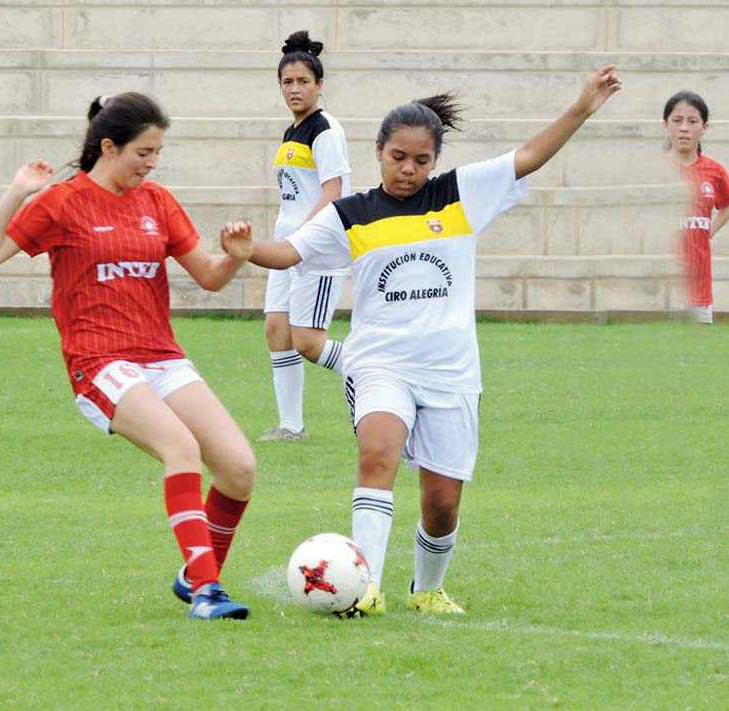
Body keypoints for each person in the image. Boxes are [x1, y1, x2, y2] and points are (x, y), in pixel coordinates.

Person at [221, 66, 622, 615]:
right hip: (380, 364)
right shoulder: (351, 214)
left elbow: (528, 157)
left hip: (451, 372)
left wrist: (581, 108)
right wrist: (247, 251)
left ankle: (427, 590)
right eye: (398, 157)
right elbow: (290, 253)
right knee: (377, 454)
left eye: (421, 160)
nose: (408, 169)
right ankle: (366, 590)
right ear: (379, 150)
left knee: (441, 504)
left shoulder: (461, 195)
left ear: (435, 159)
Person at [0, 92, 255, 620]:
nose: (152, 162)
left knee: (238, 468)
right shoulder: (60, 203)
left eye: (157, 152)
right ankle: (209, 592)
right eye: (144, 151)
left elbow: (210, 277)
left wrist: (236, 259)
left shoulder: (158, 202)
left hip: (161, 356)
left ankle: (194, 575)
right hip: (98, 361)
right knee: (181, 448)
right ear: (108, 146)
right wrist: (18, 193)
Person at [260, 30, 353, 442]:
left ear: (319, 84)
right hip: (286, 249)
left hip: (316, 250)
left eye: (303, 81)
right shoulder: (291, 132)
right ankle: (291, 427)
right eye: (287, 82)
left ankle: (373, 369)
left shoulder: (325, 129)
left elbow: (335, 191)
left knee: (309, 344)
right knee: (277, 332)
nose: (294, 89)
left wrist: (304, 237)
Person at [663, 91, 729, 325]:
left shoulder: (715, 171)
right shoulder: (654, 167)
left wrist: (710, 229)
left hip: (699, 287)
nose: (684, 128)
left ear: (705, 127)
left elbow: (727, 204)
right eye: (677, 120)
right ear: (665, 125)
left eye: (692, 122)